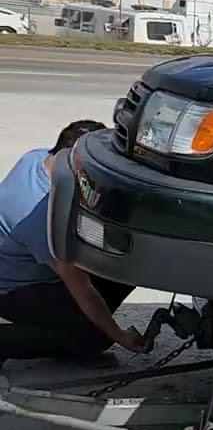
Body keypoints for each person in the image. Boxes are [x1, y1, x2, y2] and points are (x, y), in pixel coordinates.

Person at [0, 120, 150, 367]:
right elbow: (84, 292)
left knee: (126, 262)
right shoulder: (41, 218)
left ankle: (74, 327)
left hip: (28, 266)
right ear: (76, 164)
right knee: (94, 336)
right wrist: (120, 336)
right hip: (14, 290)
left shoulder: (39, 158)